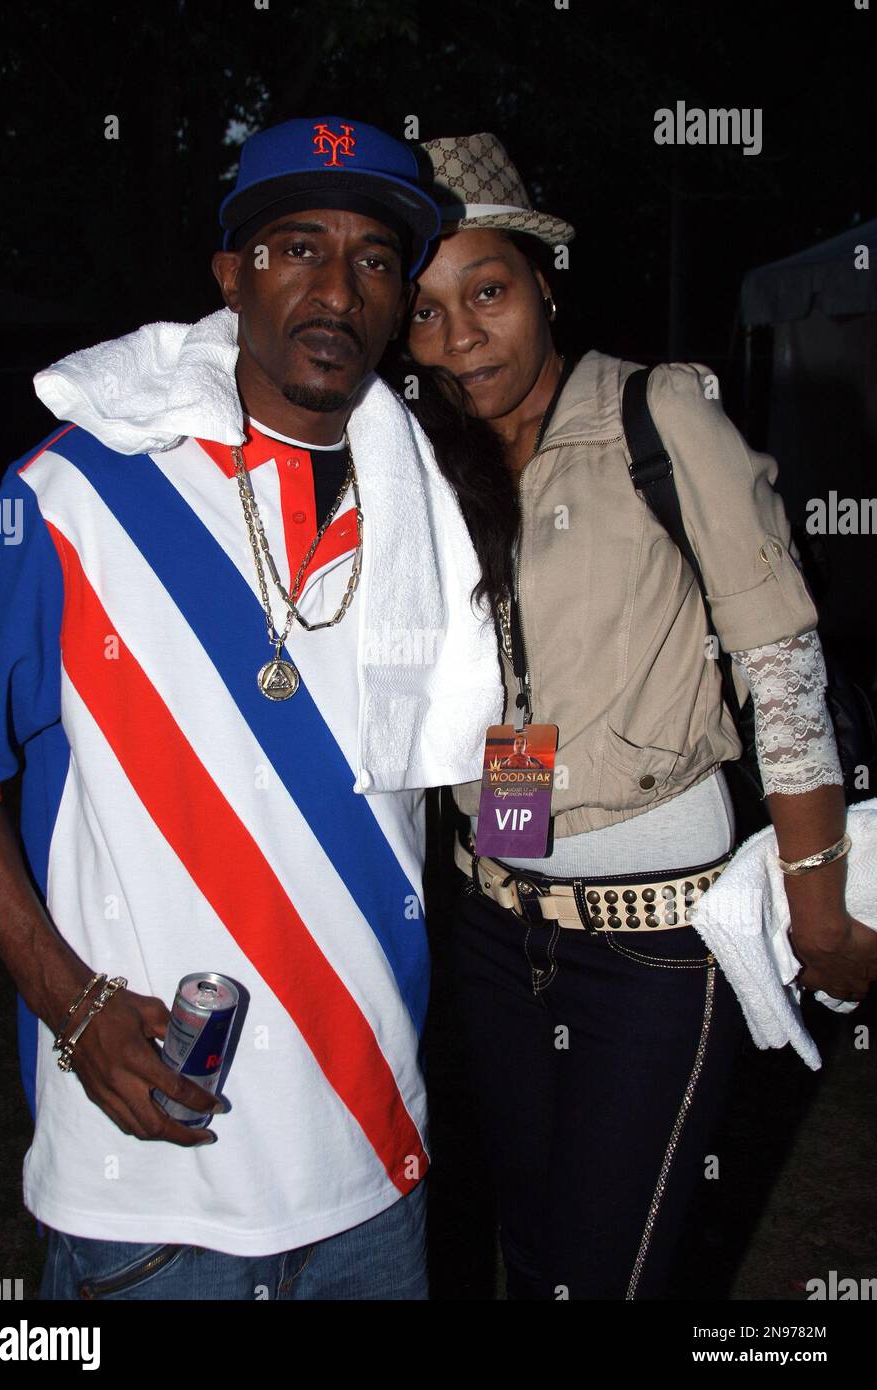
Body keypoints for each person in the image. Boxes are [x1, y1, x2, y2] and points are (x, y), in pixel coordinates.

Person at [0, 115, 503, 1300]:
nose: (334, 288)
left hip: (369, 1163)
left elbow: (499, 761)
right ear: (229, 275)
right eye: (295, 246)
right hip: (148, 1182)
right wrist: (72, 1001)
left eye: (370, 259)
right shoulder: (69, 497)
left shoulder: (434, 518)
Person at [388, 131, 877, 1299]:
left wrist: (817, 903)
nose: (459, 337)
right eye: (424, 310)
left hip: (659, 946)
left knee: (609, 1273)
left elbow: (783, 661)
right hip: (499, 932)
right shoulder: (432, 462)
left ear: (544, 283)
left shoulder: (660, 417)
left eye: (489, 292)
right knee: (529, 1250)